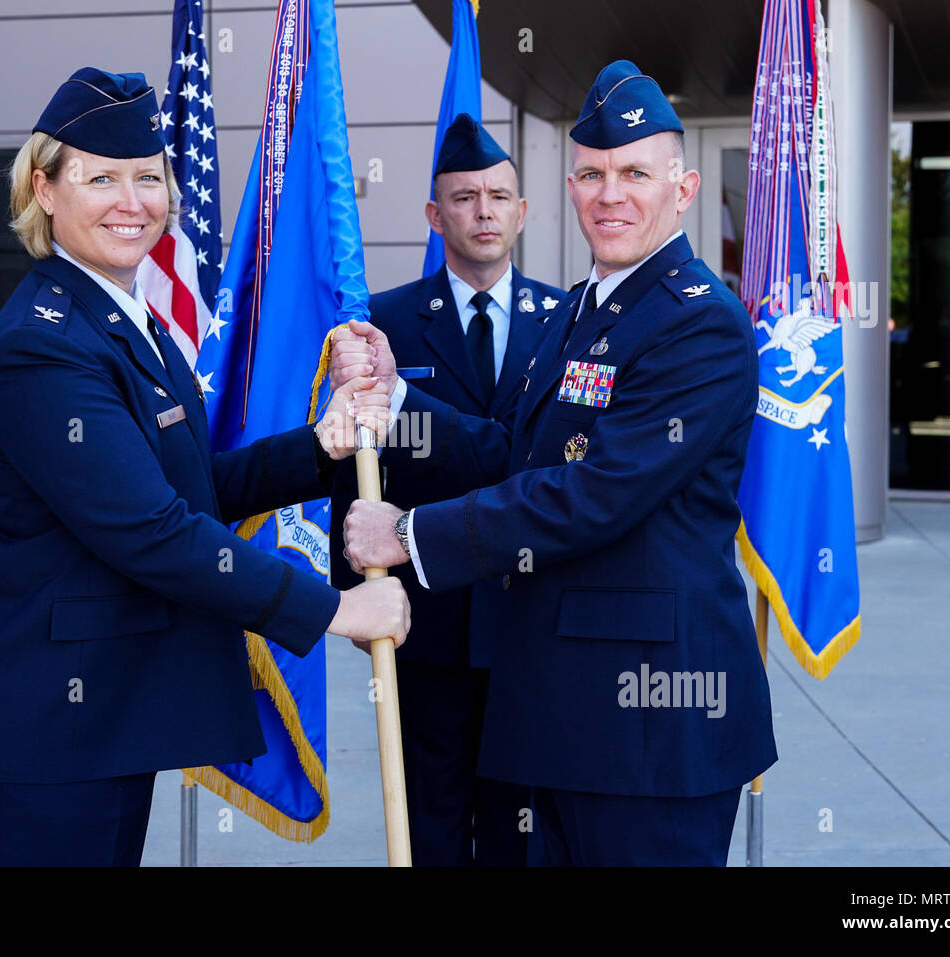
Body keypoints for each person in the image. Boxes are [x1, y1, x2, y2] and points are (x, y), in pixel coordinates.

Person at [0, 67, 409, 866]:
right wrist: (338, 611)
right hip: (27, 734)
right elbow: (155, 531)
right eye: (101, 178)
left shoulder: (121, 316)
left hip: (97, 720)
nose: (132, 202)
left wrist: (325, 447)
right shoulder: (45, 345)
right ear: (44, 187)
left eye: (149, 177)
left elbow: (190, 490)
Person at [336, 60, 777, 866]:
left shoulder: (698, 325)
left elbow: (594, 493)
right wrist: (401, 398)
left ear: (680, 192)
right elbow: (515, 451)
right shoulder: (580, 308)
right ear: (570, 187)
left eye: (635, 173)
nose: (611, 194)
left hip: (652, 730)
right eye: (592, 174)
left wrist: (410, 532)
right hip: (561, 713)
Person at [330, 113, 563, 867]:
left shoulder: (564, 325)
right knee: (426, 823)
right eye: (464, 198)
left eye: (499, 196)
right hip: (426, 626)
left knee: (517, 826)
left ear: (522, 212)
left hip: (530, 618)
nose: (484, 211)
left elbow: (550, 467)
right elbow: (355, 475)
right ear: (435, 215)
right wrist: (358, 595)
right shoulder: (387, 322)